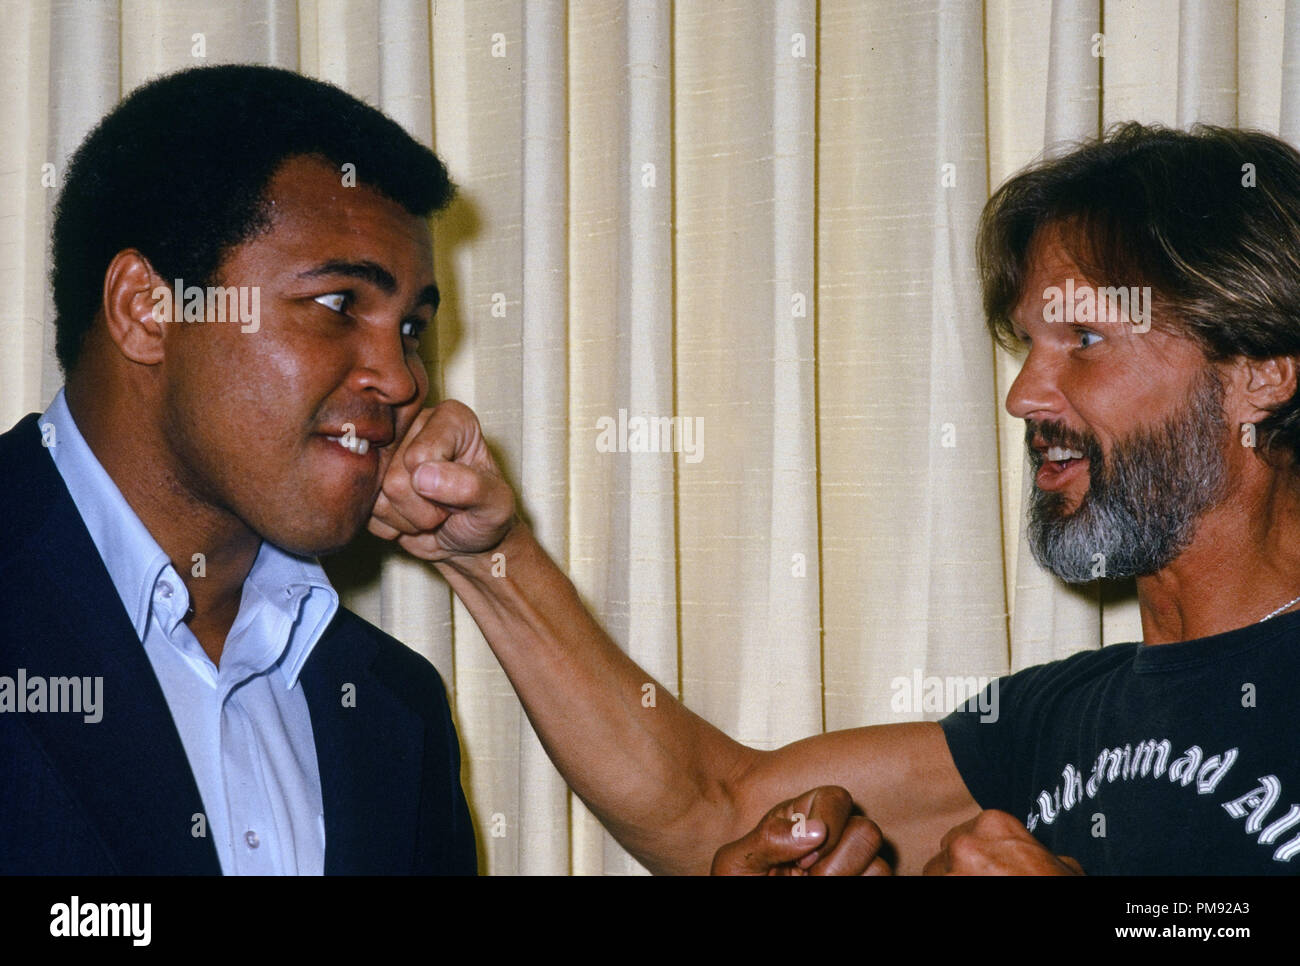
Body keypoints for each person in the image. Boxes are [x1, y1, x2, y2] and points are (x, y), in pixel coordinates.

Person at [372, 123, 1300, 875]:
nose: (1024, 396)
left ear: (1259, 371)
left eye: (1084, 340)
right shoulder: (1058, 720)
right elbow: (713, 808)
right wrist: (485, 555)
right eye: (1028, 346)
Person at [0, 64, 475, 874]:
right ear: (146, 310)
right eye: (338, 305)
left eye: (411, 329)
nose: (402, 381)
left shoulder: (396, 707)